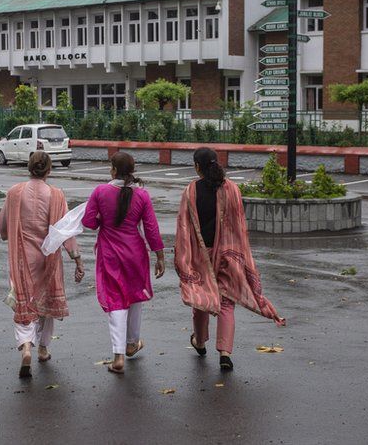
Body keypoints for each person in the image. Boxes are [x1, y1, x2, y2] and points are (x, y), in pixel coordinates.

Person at [174, 147, 286, 371]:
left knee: (201, 302)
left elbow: (183, 228)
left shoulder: (190, 191)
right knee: (226, 304)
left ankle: (200, 341)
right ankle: (225, 353)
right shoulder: (232, 189)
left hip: (200, 256)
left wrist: (182, 257)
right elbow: (239, 226)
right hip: (228, 254)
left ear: (197, 167)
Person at [0, 151, 85, 378]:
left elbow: (3, 226)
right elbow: (65, 232)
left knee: (24, 301)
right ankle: (43, 348)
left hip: (22, 258)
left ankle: (26, 345)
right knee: (45, 300)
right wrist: (77, 259)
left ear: (28, 167)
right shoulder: (56, 196)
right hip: (48, 258)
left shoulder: (14, 193)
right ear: (49, 170)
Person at [82, 152, 165, 374]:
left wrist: (102, 220)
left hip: (110, 253)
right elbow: (151, 228)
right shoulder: (142, 195)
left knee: (116, 299)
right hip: (136, 253)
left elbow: (88, 222)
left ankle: (118, 355)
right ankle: (132, 343)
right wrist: (160, 256)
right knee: (135, 295)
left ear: (113, 170)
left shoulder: (100, 192)